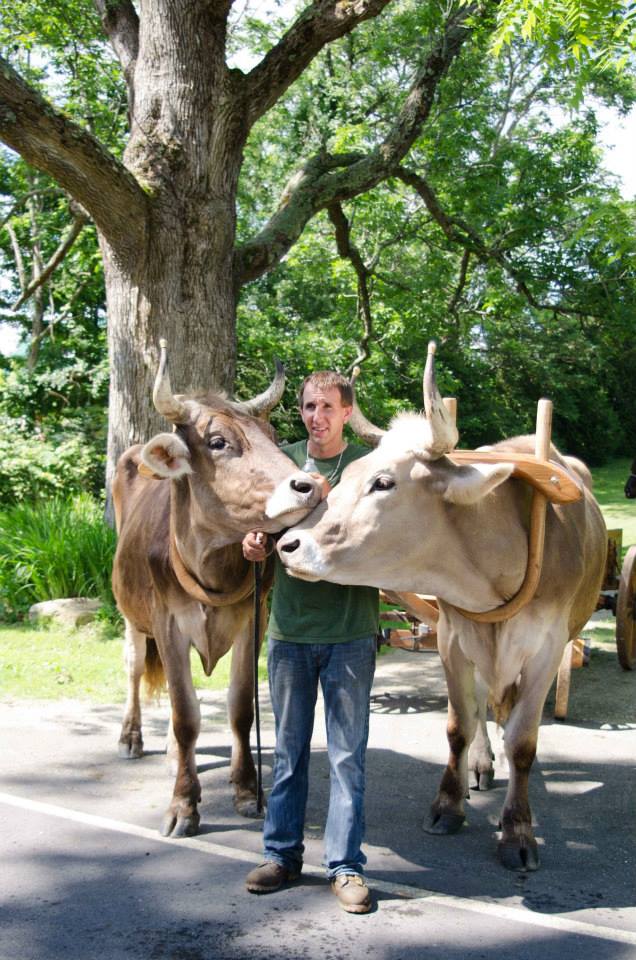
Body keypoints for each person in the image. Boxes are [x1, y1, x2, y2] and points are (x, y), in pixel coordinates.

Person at [243, 370, 379, 914]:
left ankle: (345, 868)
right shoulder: (284, 461)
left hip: (349, 632)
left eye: (325, 406)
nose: (314, 417)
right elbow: (258, 525)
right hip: (290, 632)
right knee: (289, 754)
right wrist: (253, 543)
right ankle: (281, 855)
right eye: (307, 407)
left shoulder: (368, 470)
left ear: (347, 412)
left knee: (347, 757)